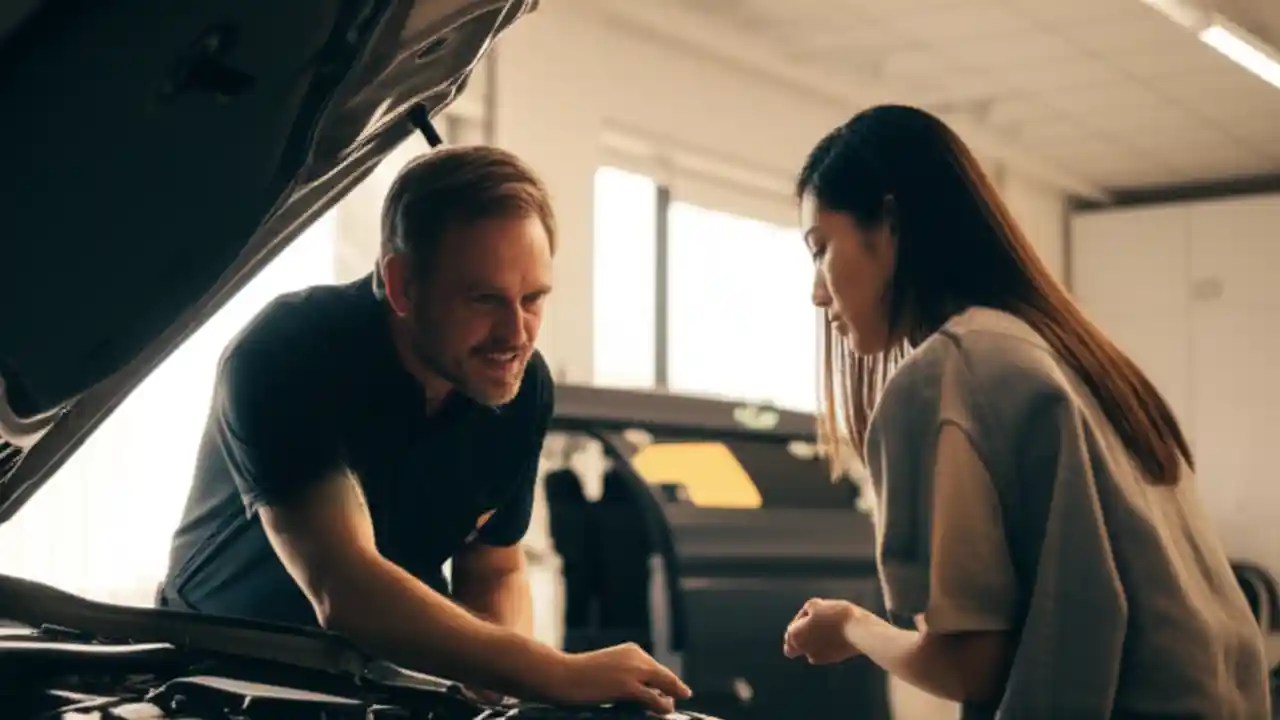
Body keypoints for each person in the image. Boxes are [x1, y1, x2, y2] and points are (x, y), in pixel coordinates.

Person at [158, 145, 691, 713]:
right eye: (485, 299)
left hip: (379, 683)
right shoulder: (288, 353)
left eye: (533, 299)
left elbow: (493, 567)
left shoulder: (520, 388)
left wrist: (503, 699)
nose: (515, 334)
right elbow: (346, 589)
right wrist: (553, 673)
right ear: (403, 285)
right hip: (213, 677)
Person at [781, 105, 1270, 718]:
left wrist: (853, 627)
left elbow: (974, 663)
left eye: (821, 248)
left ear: (890, 223)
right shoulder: (1074, 354)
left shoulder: (948, 371)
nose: (817, 291)